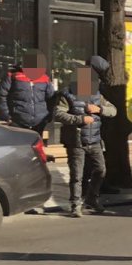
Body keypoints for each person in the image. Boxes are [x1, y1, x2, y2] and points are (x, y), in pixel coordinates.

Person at [53, 56, 116, 217]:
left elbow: (113, 110)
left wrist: (99, 109)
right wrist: (79, 119)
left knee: (100, 170)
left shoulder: (97, 95)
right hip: (76, 141)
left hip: (94, 140)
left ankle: (91, 199)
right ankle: (75, 205)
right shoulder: (67, 94)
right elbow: (58, 114)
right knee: (77, 175)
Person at [0, 50, 54, 137]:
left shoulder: (44, 78)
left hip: (40, 122)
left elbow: (51, 98)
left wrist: (48, 117)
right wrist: (6, 116)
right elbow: (1, 96)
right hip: (18, 121)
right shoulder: (12, 75)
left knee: (36, 148)